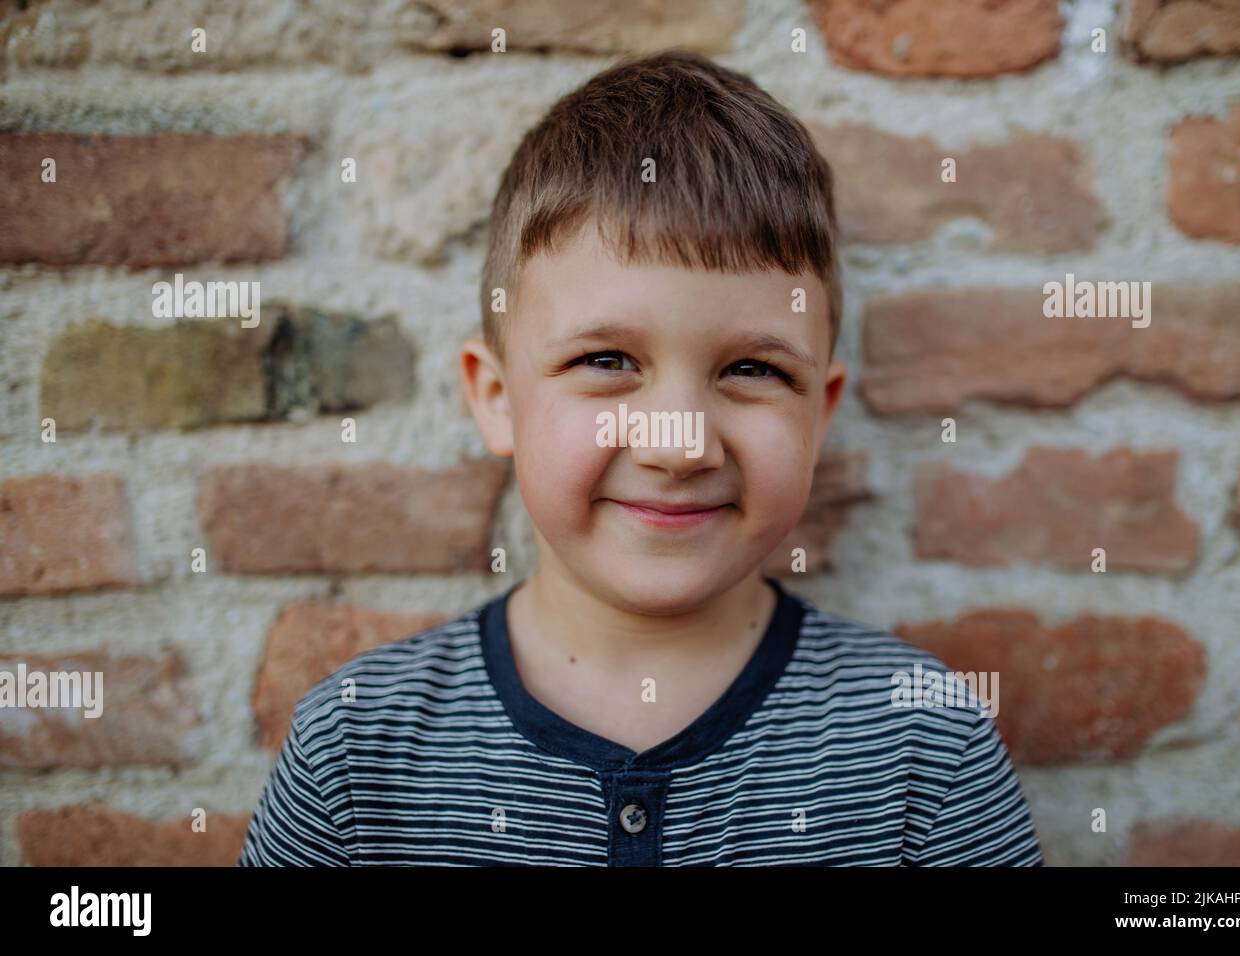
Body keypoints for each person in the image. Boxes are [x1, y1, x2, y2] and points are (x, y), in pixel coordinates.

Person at [239, 50, 1043, 866]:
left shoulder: (923, 747)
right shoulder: (356, 751)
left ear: (819, 412)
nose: (679, 445)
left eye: (752, 370)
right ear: (494, 397)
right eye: (607, 361)